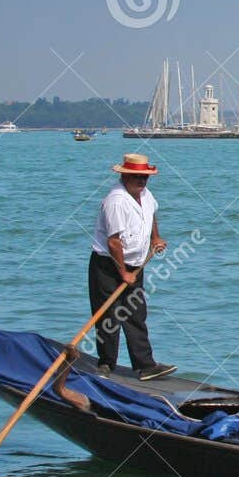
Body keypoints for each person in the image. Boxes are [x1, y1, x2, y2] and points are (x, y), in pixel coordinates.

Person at [89, 152, 176, 381]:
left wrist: (155, 238)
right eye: (138, 177)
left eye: (145, 177)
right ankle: (106, 364)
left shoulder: (145, 194)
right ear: (126, 176)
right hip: (108, 265)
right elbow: (113, 242)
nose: (142, 181)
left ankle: (145, 365)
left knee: (136, 313)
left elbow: (151, 215)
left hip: (135, 264)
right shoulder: (116, 202)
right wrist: (123, 272)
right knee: (108, 315)